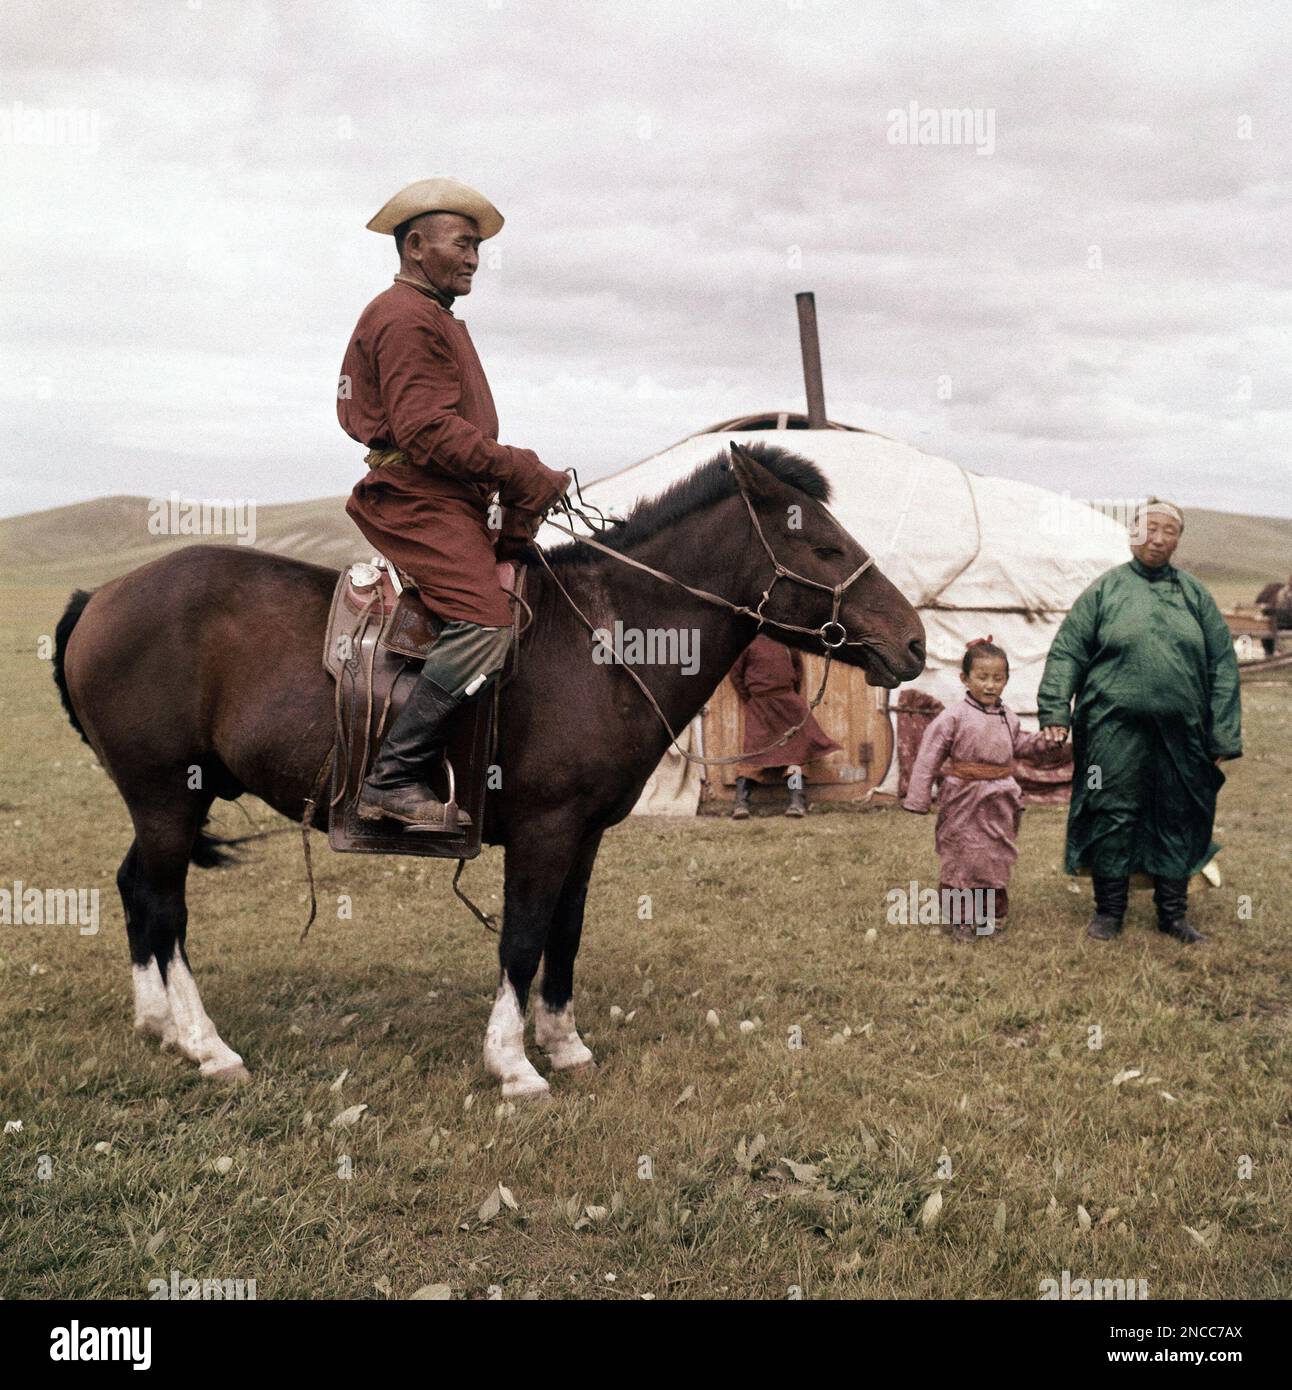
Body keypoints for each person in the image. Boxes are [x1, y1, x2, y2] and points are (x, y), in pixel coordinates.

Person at [337, 177, 570, 828]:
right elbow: (425, 430)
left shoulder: (432, 316)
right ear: (416, 246)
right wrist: (519, 467)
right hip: (419, 498)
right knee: (487, 623)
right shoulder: (406, 316)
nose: (473, 258)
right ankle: (394, 779)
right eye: (462, 244)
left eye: (477, 248)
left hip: (450, 497)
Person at [1035, 498, 1242, 944]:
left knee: (1178, 813)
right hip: (1111, 728)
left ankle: (1173, 914)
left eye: (1169, 530)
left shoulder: (1195, 595)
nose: (1158, 538)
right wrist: (1055, 709)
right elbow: (1068, 650)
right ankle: (1109, 912)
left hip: (1183, 732)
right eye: (1149, 528)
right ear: (1132, 532)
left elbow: (1223, 664)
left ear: (1179, 539)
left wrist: (1222, 731)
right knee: (1110, 808)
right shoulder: (1105, 590)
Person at [902, 638, 1049, 941]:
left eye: (998, 678)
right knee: (962, 857)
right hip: (963, 797)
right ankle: (959, 921)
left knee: (994, 858)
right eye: (982, 677)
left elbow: (1018, 744)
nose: (990, 685)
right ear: (965, 679)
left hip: (1000, 800)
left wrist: (1046, 740)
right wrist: (918, 798)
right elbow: (929, 755)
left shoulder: (1008, 716)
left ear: (1006, 680)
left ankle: (987, 919)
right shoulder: (954, 716)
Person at [727, 634, 841, 817]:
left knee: (795, 758)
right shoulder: (747, 641)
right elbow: (736, 675)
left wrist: (788, 697)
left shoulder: (788, 642)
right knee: (753, 757)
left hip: (788, 704)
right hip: (760, 705)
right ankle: (741, 805)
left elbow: (798, 672)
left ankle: (796, 803)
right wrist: (753, 698)